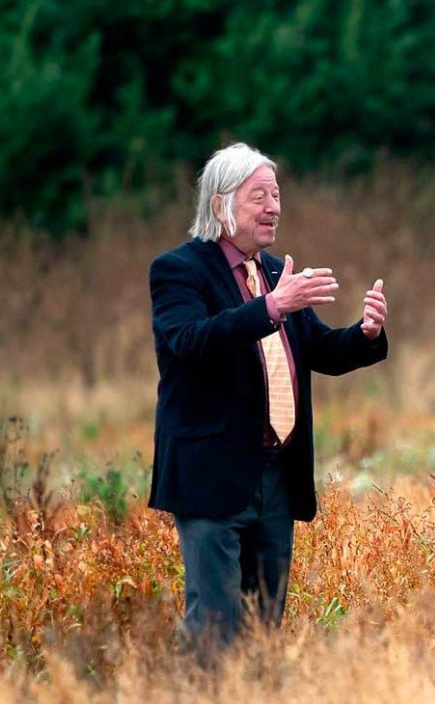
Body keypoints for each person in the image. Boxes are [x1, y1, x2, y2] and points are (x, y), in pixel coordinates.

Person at [148, 142, 389, 650]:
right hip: (211, 473)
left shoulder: (277, 273)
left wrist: (365, 334)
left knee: (264, 627)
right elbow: (191, 342)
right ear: (220, 205)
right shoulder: (179, 271)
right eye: (259, 196)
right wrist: (270, 309)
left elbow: (318, 350)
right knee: (215, 626)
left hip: (277, 475)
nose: (274, 207)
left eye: (276, 195)